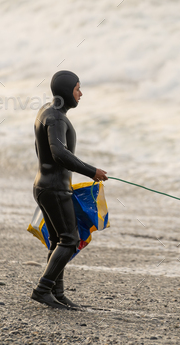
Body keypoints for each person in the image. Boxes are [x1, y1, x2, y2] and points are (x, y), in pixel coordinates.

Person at [31, 70, 108, 310]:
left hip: (44, 185)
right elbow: (59, 153)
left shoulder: (47, 111)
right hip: (54, 188)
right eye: (77, 89)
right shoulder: (56, 119)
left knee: (58, 241)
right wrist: (91, 171)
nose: (81, 94)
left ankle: (57, 294)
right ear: (67, 91)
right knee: (70, 240)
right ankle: (43, 289)